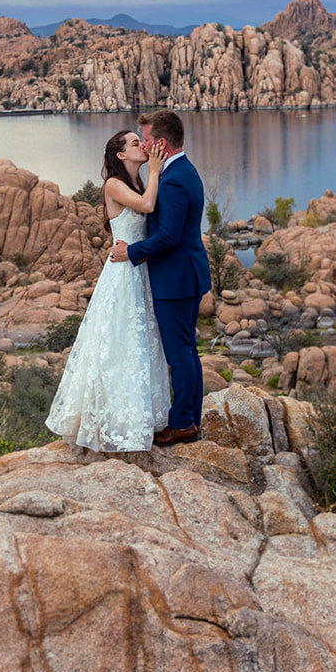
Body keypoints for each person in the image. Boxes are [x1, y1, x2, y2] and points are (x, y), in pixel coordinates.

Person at [45, 131, 170, 452]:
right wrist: (156, 169)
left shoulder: (138, 182)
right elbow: (147, 205)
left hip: (138, 268)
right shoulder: (114, 185)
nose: (142, 145)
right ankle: (109, 424)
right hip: (123, 276)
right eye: (134, 143)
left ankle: (138, 419)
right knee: (117, 343)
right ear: (120, 156)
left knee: (140, 344)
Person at [109, 109, 211, 445]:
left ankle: (182, 423)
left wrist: (132, 253)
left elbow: (169, 236)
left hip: (176, 279)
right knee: (187, 352)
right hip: (182, 274)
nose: (145, 144)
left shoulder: (176, 179)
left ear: (161, 143)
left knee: (180, 354)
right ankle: (190, 419)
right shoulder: (175, 172)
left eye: (148, 139)